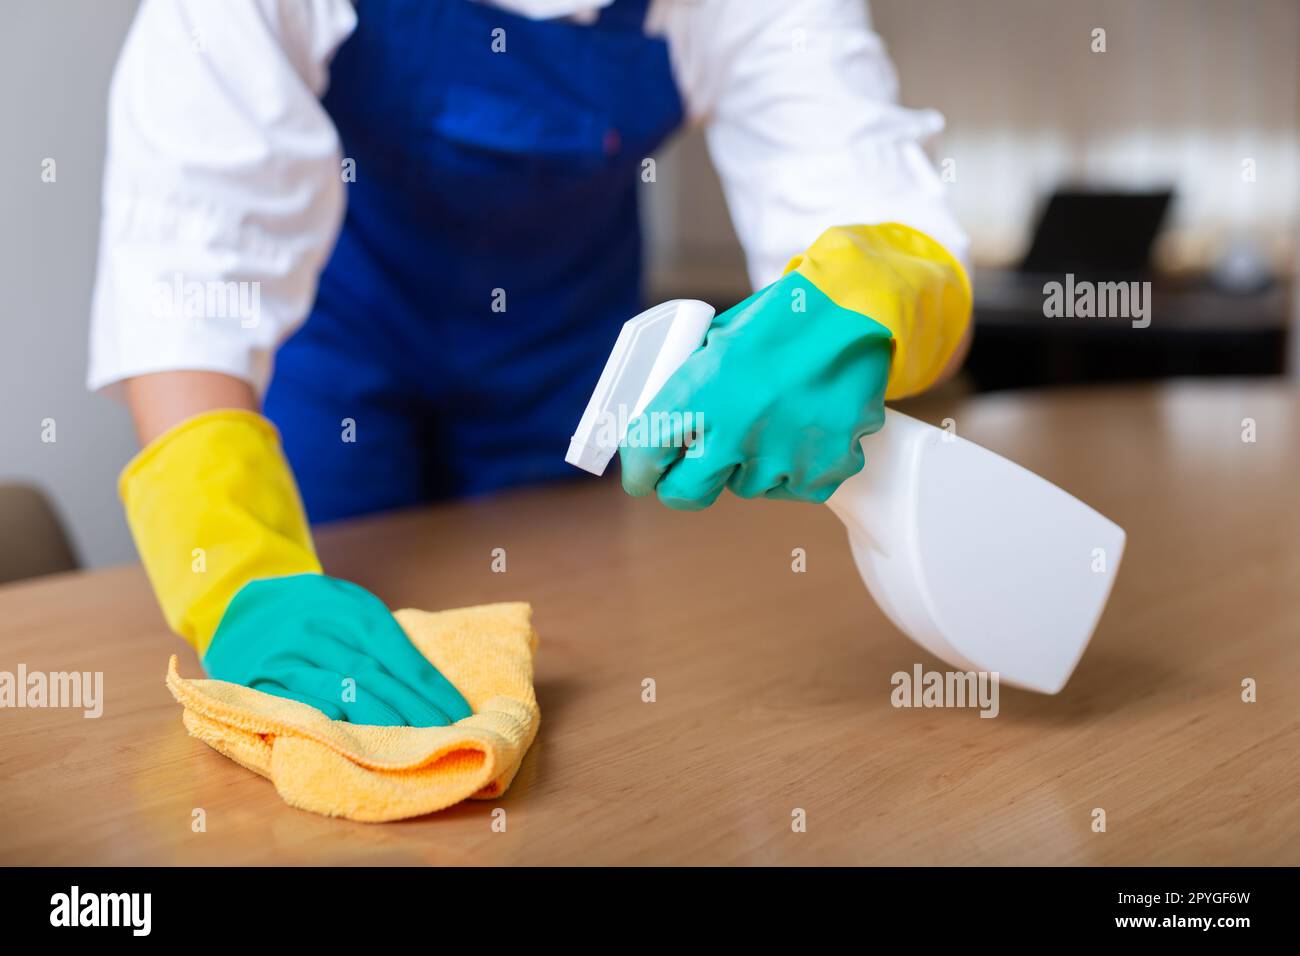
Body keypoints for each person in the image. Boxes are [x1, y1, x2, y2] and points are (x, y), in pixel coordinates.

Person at [93, 0, 973, 726]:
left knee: (578, 696)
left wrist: (870, 298)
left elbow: (878, 203)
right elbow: (186, 283)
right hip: (337, 376)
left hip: (566, 385)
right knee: (322, 697)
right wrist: (239, 578)